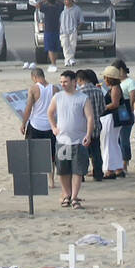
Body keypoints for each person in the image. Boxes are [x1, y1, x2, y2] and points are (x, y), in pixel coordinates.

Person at [47, 69, 95, 208]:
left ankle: (74, 197)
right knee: (63, 170)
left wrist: (88, 134)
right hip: (62, 141)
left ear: (74, 82)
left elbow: (90, 117)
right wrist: (53, 127)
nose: (63, 84)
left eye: (66, 81)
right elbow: (50, 112)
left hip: (78, 141)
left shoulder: (82, 98)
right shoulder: (58, 97)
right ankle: (67, 195)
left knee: (77, 170)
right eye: (61, 82)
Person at [20, 66, 56, 174]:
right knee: (51, 154)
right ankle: (51, 180)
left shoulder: (33, 89)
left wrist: (23, 123)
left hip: (36, 124)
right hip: (50, 125)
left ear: (34, 77)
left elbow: (28, 108)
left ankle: (35, 174)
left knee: (32, 151)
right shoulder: (55, 88)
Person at [77, 69, 106, 181]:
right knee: (96, 152)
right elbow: (103, 108)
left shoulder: (80, 93)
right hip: (96, 126)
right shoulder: (98, 91)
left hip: (83, 128)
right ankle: (98, 174)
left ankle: (81, 175)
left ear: (80, 79)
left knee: (82, 153)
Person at [60, 0, 84, 67]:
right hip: (63, 31)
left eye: (66, 0)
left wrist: (77, 29)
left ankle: (69, 60)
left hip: (73, 30)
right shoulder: (61, 8)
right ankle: (68, 60)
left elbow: (81, 21)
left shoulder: (77, 9)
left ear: (71, 0)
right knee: (65, 45)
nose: (65, 1)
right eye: (64, 0)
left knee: (72, 45)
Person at [38, 0, 61, 66]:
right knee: (55, 48)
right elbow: (63, 4)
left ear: (48, 2)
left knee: (50, 48)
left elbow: (37, 5)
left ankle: (53, 63)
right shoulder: (58, 8)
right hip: (57, 30)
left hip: (48, 30)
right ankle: (54, 62)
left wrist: (44, 0)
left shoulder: (46, 8)